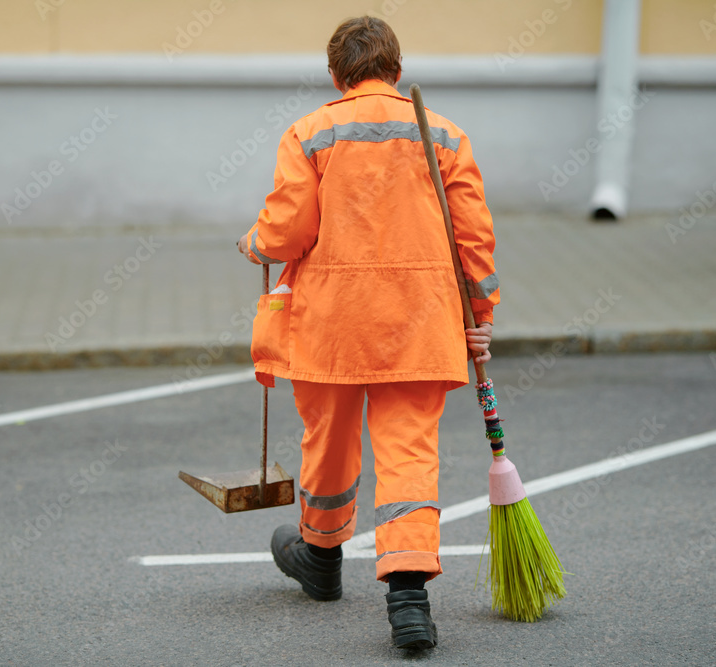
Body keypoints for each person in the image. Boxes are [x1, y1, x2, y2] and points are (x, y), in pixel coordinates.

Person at [236, 16, 498, 650]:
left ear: (335, 76)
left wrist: (255, 244)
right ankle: (408, 599)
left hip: (333, 323)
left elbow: (288, 231)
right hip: (420, 322)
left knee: (327, 442)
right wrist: (480, 319)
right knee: (409, 449)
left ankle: (321, 559)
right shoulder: (445, 135)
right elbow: (474, 239)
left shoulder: (311, 132)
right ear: (399, 70)